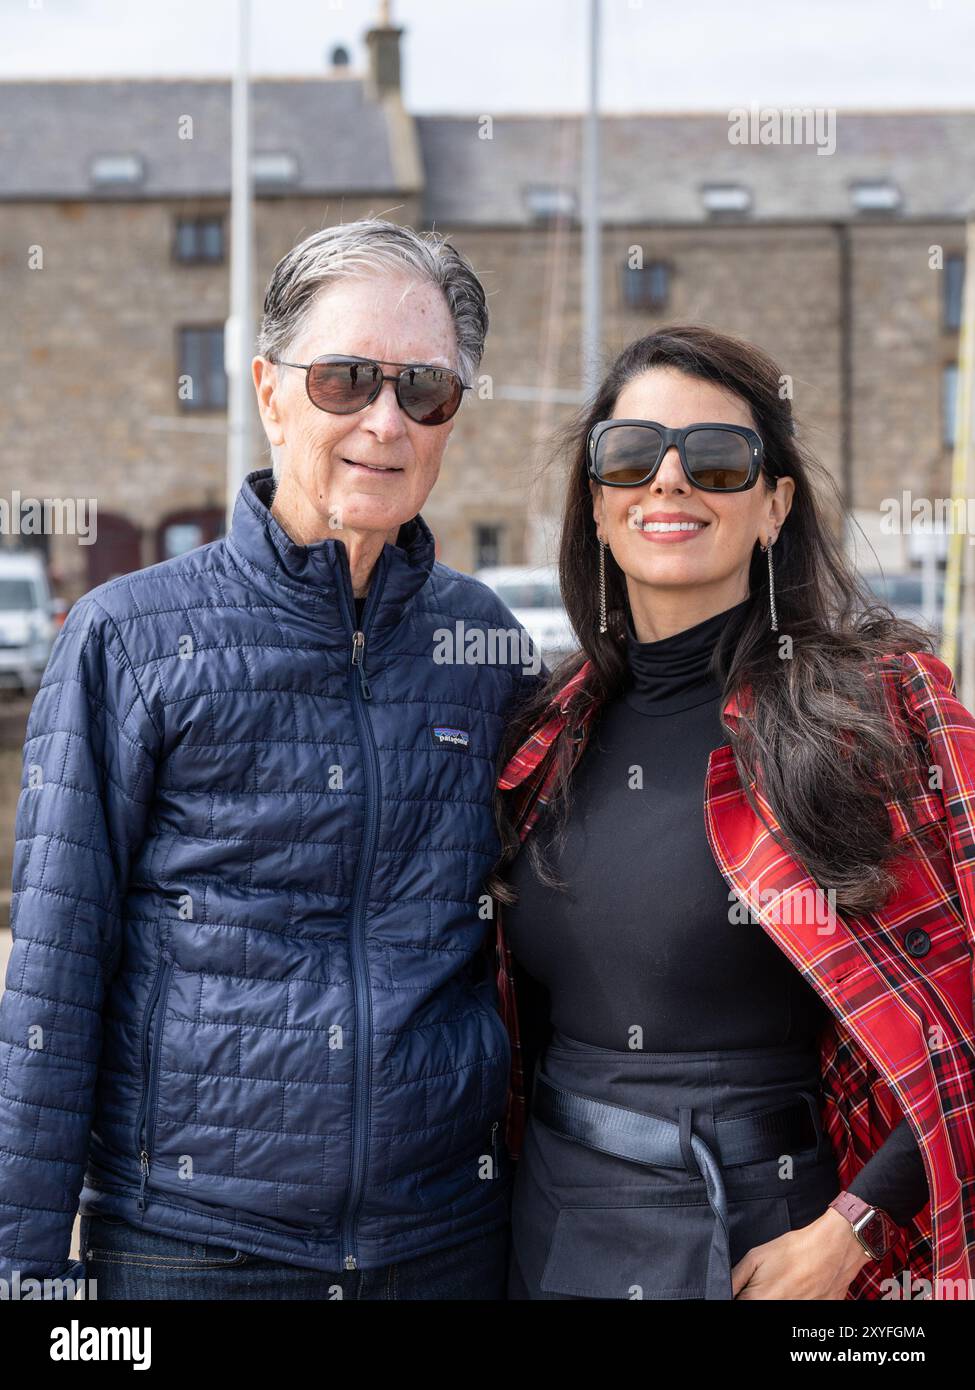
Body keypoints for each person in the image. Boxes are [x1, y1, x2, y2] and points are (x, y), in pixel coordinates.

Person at [0, 217, 539, 1300]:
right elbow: (54, 970)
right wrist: (24, 1274)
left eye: (424, 390)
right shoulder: (125, 638)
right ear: (269, 389)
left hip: (441, 1248)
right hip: (190, 1253)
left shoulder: (485, 650)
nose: (385, 421)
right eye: (346, 379)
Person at [490, 324, 975, 1301]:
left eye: (716, 461)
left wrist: (857, 1229)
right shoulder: (545, 732)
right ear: (596, 502)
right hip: (551, 1228)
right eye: (630, 457)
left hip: (769, 1235)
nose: (667, 483)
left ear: (774, 506)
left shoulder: (880, 706)